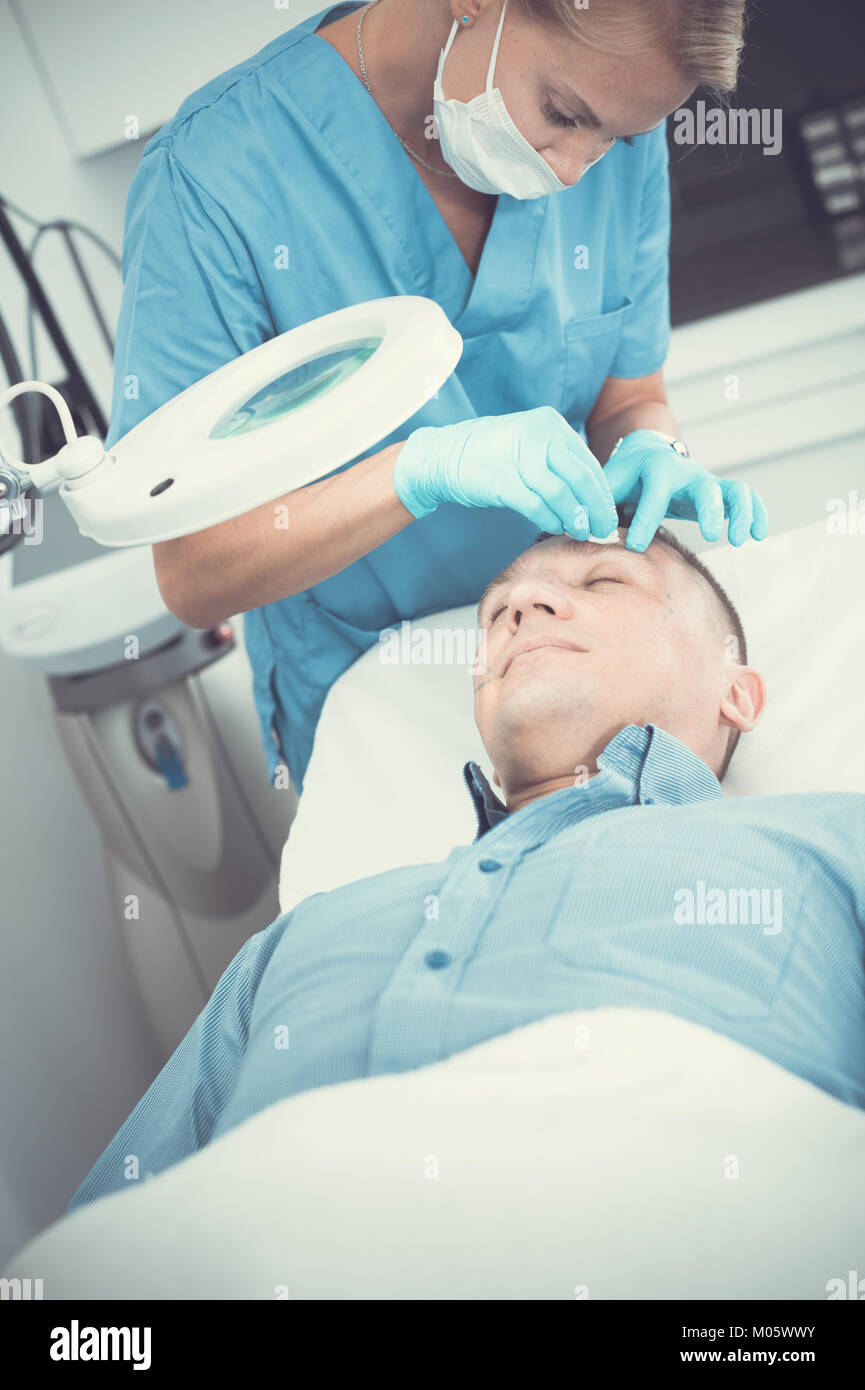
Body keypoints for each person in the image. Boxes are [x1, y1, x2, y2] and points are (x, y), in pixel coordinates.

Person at [66, 525, 865, 1212]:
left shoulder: (829, 849)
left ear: (738, 693)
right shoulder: (296, 941)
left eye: (602, 578)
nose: (522, 608)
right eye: (497, 611)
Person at [104, 0, 766, 794]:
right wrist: (413, 474)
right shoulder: (215, 180)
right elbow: (193, 575)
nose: (571, 172)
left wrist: (653, 445)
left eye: (615, 141)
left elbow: (628, 399)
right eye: (561, 114)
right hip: (366, 680)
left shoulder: (616, 125)